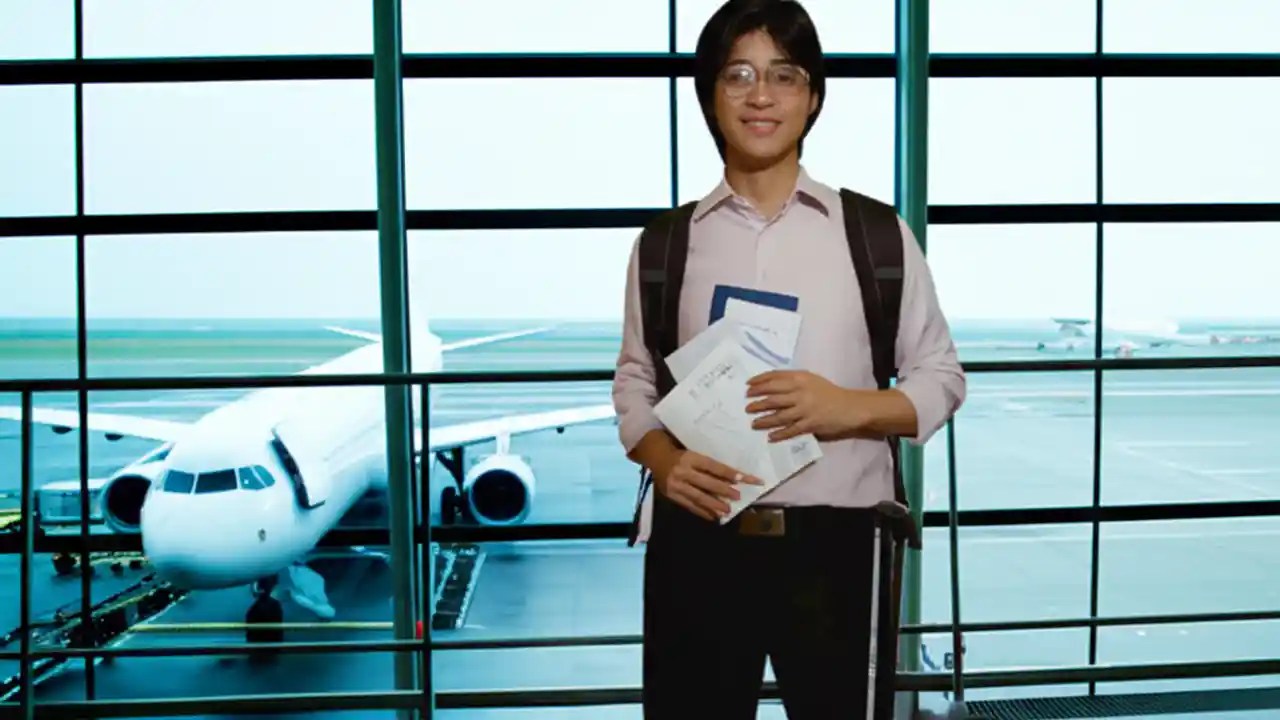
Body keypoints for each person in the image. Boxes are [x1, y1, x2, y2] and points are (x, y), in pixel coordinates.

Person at [610, 0, 967, 718]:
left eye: (785, 75)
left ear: (812, 97)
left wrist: (850, 408)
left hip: (838, 548)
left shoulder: (874, 235)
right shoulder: (664, 245)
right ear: (710, 95)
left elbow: (941, 376)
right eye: (738, 74)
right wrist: (662, 459)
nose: (761, 95)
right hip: (699, 544)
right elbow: (634, 382)